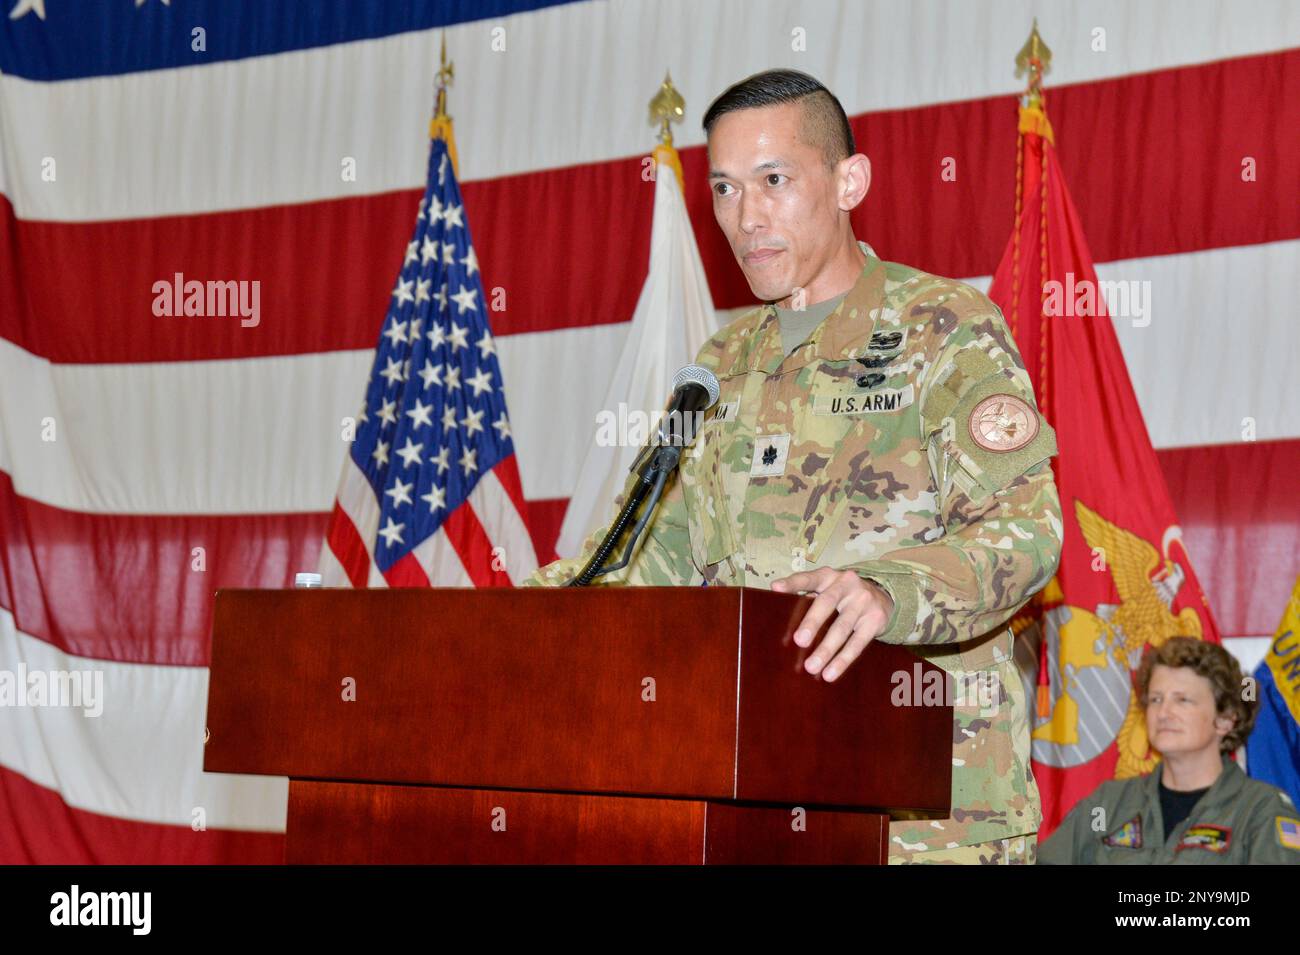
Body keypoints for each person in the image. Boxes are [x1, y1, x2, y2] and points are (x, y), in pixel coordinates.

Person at [525, 69, 1063, 864]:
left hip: (925, 823)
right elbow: (643, 559)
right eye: (726, 189)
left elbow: (1028, 530)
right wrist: (502, 625)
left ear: (850, 180)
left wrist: (887, 590)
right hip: (751, 811)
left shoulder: (942, 327)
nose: (747, 217)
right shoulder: (717, 364)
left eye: (774, 180)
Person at [1038, 637, 1300, 864]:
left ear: (1225, 719)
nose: (1163, 713)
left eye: (1182, 700)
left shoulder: (1261, 810)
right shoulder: (1108, 804)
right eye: (1156, 699)